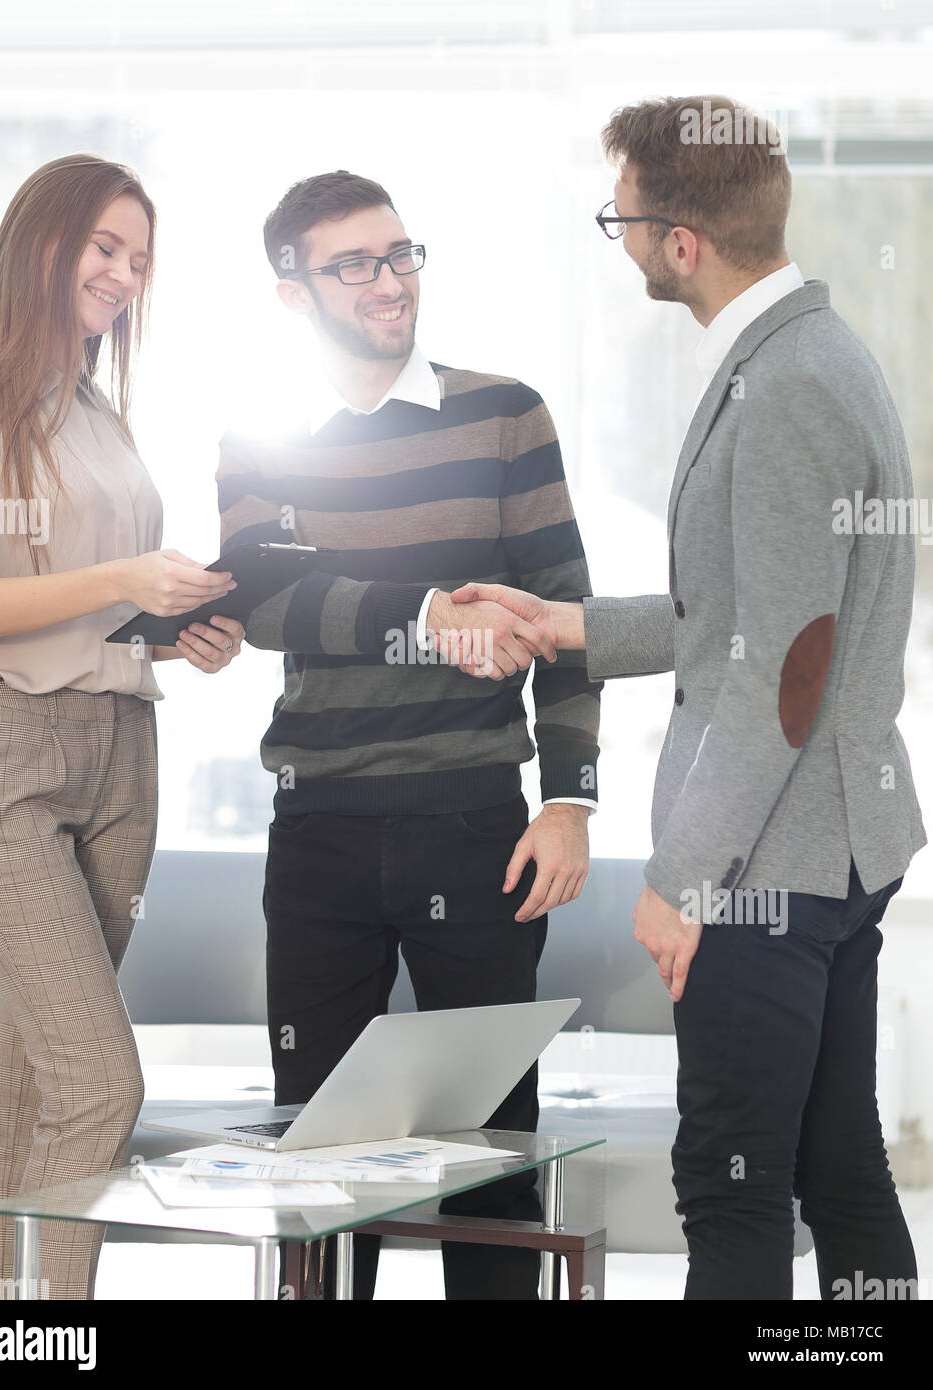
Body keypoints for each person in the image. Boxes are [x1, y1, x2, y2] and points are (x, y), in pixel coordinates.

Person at [452, 95, 927, 1300]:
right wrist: (568, 624)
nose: (613, 238)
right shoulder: (807, 353)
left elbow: (784, 666)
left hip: (767, 862)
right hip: (820, 849)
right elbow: (742, 621)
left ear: (679, 240)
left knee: (731, 1186)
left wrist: (681, 877)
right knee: (835, 1168)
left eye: (619, 215)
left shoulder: (786, 390)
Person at [216, 170, 602, 1299]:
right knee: (322, 1168)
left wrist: (570, 797)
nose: (390, 283)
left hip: (477, 825)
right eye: (355, 264)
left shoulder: (503, 413)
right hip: (318, 836)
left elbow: (562, 612)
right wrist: (427, 615)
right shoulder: (259, 439)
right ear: (293, 291)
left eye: (401, 255)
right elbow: (264, 605)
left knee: (488, 1159)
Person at [0, 153, 245, 1301]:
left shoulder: (99, 411)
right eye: (103, 248)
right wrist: (122, 574)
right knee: (98, 1083)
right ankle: (54, 1334)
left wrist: (171, 629)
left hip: (123, 750)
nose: (123, 275)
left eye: (138, 259)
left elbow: (92, 601)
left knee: (33, 1078)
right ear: (39, 245)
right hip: (3, 757)